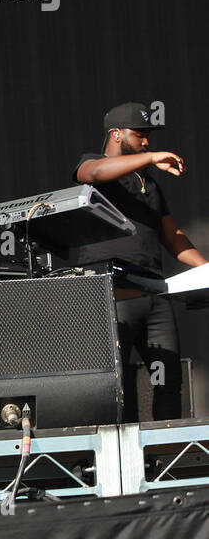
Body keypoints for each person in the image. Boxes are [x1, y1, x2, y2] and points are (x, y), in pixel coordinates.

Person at [73, 102, 206, 421]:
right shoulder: (94, 165)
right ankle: (102, 465)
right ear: (116, 135)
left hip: (154, 298)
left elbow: (172, 236)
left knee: (167, 382)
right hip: (113, 295)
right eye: (140, 134)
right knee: (108, 385)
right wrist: (150, 158)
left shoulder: (149, 184)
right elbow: (90, 173)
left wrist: (206, 271)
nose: (147, 142)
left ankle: (162, 464)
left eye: (148, 137)